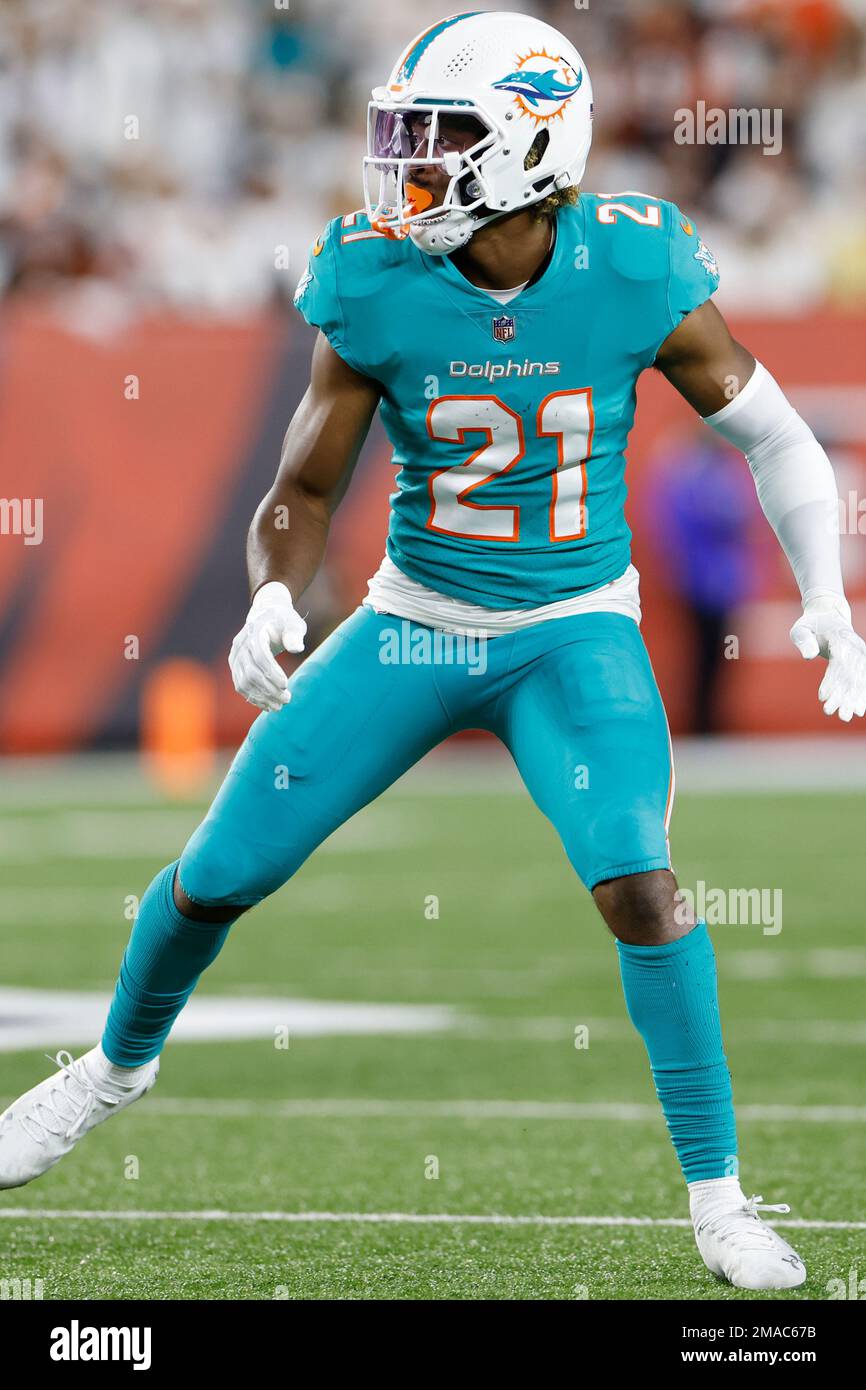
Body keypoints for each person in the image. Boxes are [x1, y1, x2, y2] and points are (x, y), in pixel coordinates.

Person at [3, 10, 865, 1292]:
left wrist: (824, 600)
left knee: (639, 884)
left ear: (531, 146)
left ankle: (718, 1196)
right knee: (212, 875)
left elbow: (778, 436)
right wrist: (270, 597)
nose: (406, 167)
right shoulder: (377, 274)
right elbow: (301, 483)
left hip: (571, 627)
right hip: (412, 621)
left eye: (439, 139)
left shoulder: (628, 266)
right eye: (402, 136)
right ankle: (114, 1066)